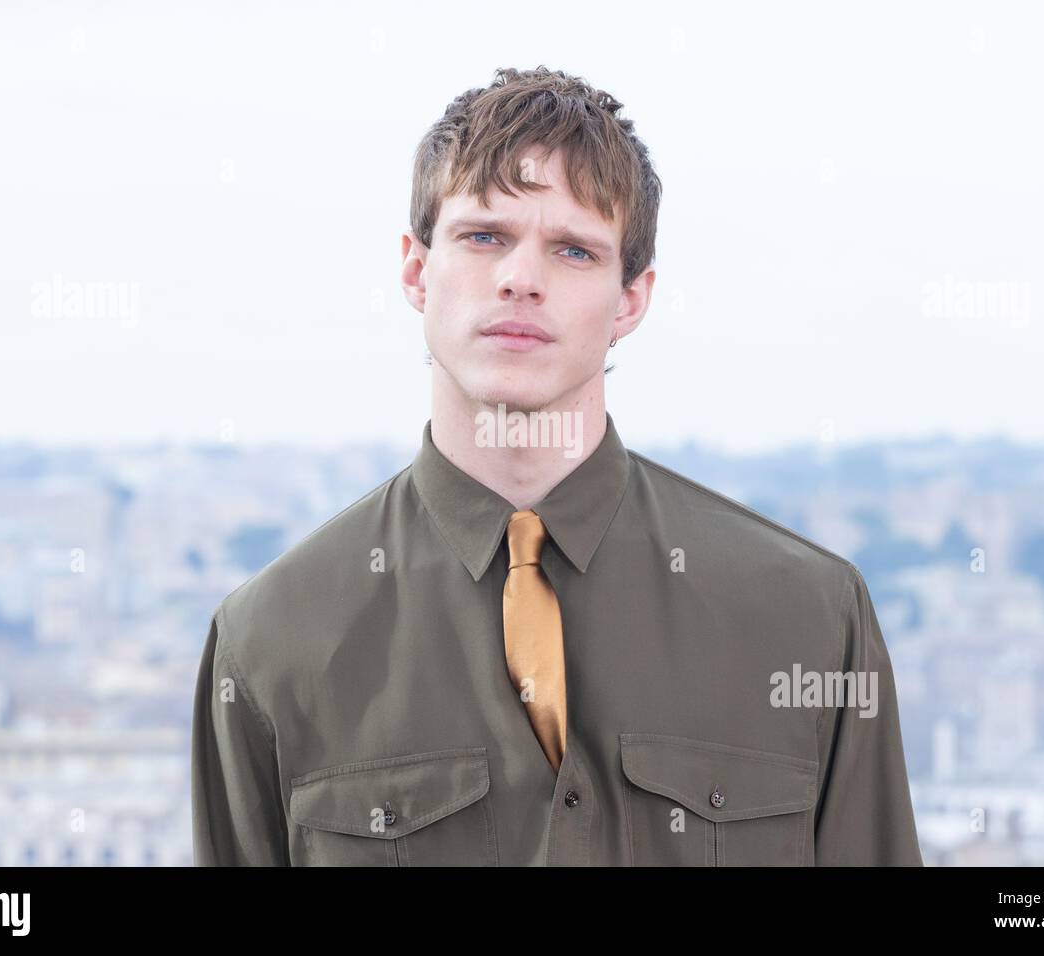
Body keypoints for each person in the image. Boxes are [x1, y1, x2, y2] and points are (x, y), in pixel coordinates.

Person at [191, 65, 923, 866]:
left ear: (631, 300)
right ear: (414, 270)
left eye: (573, 250)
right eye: (483, 237)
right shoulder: (269, 641)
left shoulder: (811, 618)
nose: (521, 279)